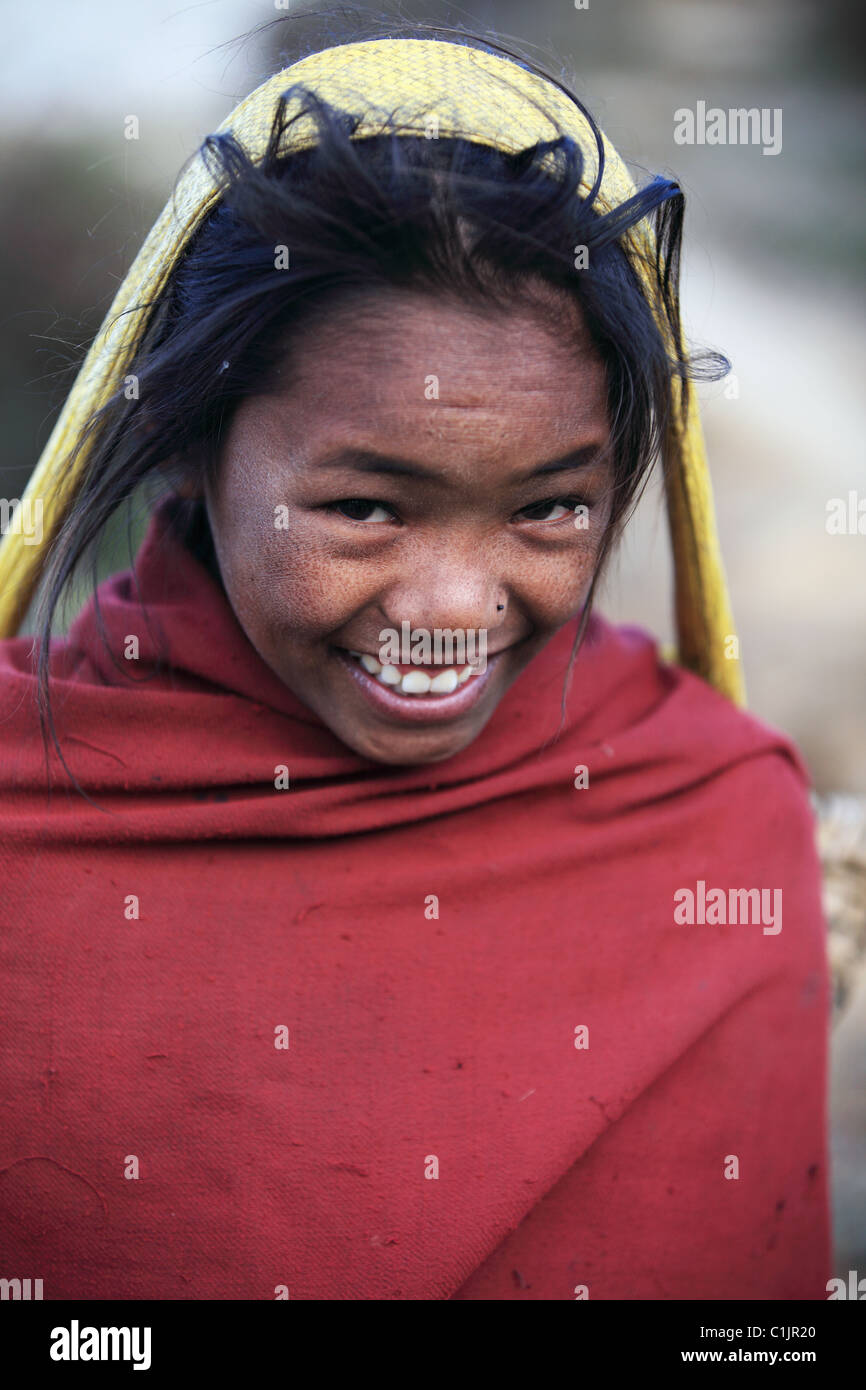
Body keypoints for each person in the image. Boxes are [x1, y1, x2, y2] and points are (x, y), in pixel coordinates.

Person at [0, 27, 829, 1300]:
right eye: (368, 511)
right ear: (191, 448)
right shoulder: (27, 811)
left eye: (549, 509)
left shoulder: (709, 818)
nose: (453, 606)